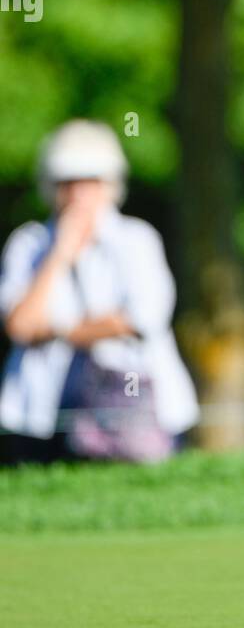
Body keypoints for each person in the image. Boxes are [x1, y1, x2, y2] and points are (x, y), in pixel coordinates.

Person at [0, 120, 198, 463]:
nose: (78, 194)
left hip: (133, 411)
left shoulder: (136, 239)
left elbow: (142, 319)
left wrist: (57, 329)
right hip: (41, 412)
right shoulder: (29, 243)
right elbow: (19, 325)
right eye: (67, 183)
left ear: (110, 184)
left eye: (90, 181)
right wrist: (60, 254)